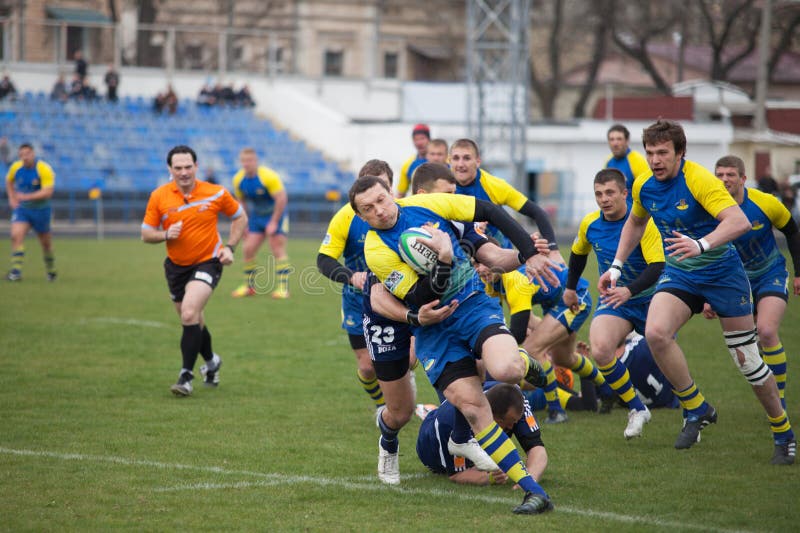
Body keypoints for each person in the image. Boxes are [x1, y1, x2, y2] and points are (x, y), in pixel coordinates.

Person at [352, 174, 557, 514]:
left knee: (505, 371)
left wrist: (527, 253)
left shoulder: (428, 206)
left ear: (393, 193)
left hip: (470, 305)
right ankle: (532, 491)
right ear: (361, 216)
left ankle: (518, 359)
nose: (380, 211)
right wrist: (444, 261)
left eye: (382, 200)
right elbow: (419, 296)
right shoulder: (375, 249)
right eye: (368, 208)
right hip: (420, 323)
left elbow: (489, 213)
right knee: (456, 407)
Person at [599, 119, 795, 464]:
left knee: (748, 362)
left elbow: (738, 221)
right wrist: (616, 265)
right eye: (650, 153)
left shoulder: (699, 180)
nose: (655, 160)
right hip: (681, 274)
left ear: (680, 154)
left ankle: (783, 431)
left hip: (724, 275)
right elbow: (635, 221)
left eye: (663, 153)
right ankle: (696, 407)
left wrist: (700, 244)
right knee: (657, 333)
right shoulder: (644, 184)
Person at [565, 168, 665, 438]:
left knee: (667, 356)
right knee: (600, 350)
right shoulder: (590, 224)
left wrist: (629, 291)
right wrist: (570, 289)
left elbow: (658, 266)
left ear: (624, 193)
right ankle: (637, 408)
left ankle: (694, 411)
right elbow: (577, 255)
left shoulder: (644, 221)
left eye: (610, 193)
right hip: (616, 299)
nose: (604, 199)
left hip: (654, 297)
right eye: (598, 194)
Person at [141, 145, 247, 396]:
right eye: (178, 168)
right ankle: (211, 362)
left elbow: (240, 217)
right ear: (170, 169)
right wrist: (166, 234)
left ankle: (185, 376)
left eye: (188, 167)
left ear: (196, 167)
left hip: (208, 261)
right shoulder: (159, 196)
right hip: (176, 267)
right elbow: (146, 234)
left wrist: (229, 247)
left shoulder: (215, 193)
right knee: (193, 318)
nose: (184, 172)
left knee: (189, 313)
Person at [474, 251, 610, 425]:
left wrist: (495, 350)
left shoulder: (515, 280)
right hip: (554, 305)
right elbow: (514, 319)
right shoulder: (493, 284)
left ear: (497, 259)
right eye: (476, 264)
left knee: (532, 349)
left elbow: (518, 332)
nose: (479, 269)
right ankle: (606, 389)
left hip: (575, 298)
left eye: (484, 262)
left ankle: (556, 410)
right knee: (564, 358)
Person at [711, 155, 800, 410]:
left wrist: (798, 272)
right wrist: (708, 296)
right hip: (735, 283)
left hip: (769, 273)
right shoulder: (709, 208)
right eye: (719, 175)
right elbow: (709, 252)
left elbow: (792, 233)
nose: (724, 179)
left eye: (730, 174)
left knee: (767, 331)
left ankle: (778, 400)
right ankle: (769, 384)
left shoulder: (765, 203)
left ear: (743, 178)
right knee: (748, 348)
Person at [317, 160, 395, 413]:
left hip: (399, 297)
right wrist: (351, 276)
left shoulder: (407, 210)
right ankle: (383, 407)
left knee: (406, 359)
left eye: (379, 186)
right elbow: (323, 260)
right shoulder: (345, 217)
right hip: (357, 300)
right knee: (367, 367)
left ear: (390, 187)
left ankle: (398, 394)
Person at [449, 138, 562, 265]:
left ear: (478, 161)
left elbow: (537, 212)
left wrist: (553, 250)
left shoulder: (495, 186)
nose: (460, 164)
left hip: (501, 260)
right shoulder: (442, 186)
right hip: (463, 261)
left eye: (467, 158)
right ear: (449, 161)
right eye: (456, 158)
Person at [417, 382, 547, 486]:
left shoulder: (516, 400)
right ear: (490, 415)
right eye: (506, 422)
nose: (511, 427)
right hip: (430, 444)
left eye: (514, 421)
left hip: (470, 417)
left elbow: (537, 448)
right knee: (474, 466)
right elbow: (457, 475)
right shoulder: (451, 424)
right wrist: (489, 478)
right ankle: (431, 411)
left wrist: (529, 479)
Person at [230, 148, 290, 299]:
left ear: (256, 161)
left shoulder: (268, 177)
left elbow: (281, 198)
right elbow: (241, 202)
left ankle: (283, 289)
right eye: (244, 161)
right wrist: (244, 223)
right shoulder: (238, 180)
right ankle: (249, 287)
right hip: (257, 217)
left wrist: (274, 222)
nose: (247, 164)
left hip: (276, 214)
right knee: (248, 249)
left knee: (277, 249)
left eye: (250, 161)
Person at [5, 144, 57, 282]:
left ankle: (51, 270)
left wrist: (25, 197)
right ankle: (16, 272)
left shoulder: (43, 169)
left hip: (41, 210)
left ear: (33, 154)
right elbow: (8, 181)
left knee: (45, 243)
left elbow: (48, 192)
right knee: (16, 235)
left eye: (27, 154)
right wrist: (11, 197)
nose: (24, 157)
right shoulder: (16, 168)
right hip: (23, 209)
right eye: (21, 154)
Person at [605, 124, 650, 205]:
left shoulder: (638, 160)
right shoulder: (608, 162)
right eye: (612, 139)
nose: (615, 143)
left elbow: (647, 192)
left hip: (634, 215)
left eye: (619, 139)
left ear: (627, 141)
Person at [396, 123, 430, 197]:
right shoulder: (407, 165)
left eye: (422, 138)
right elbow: (401, 194)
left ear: (429, 139)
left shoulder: (445, 161)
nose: (419, 143)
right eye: (416, 139)